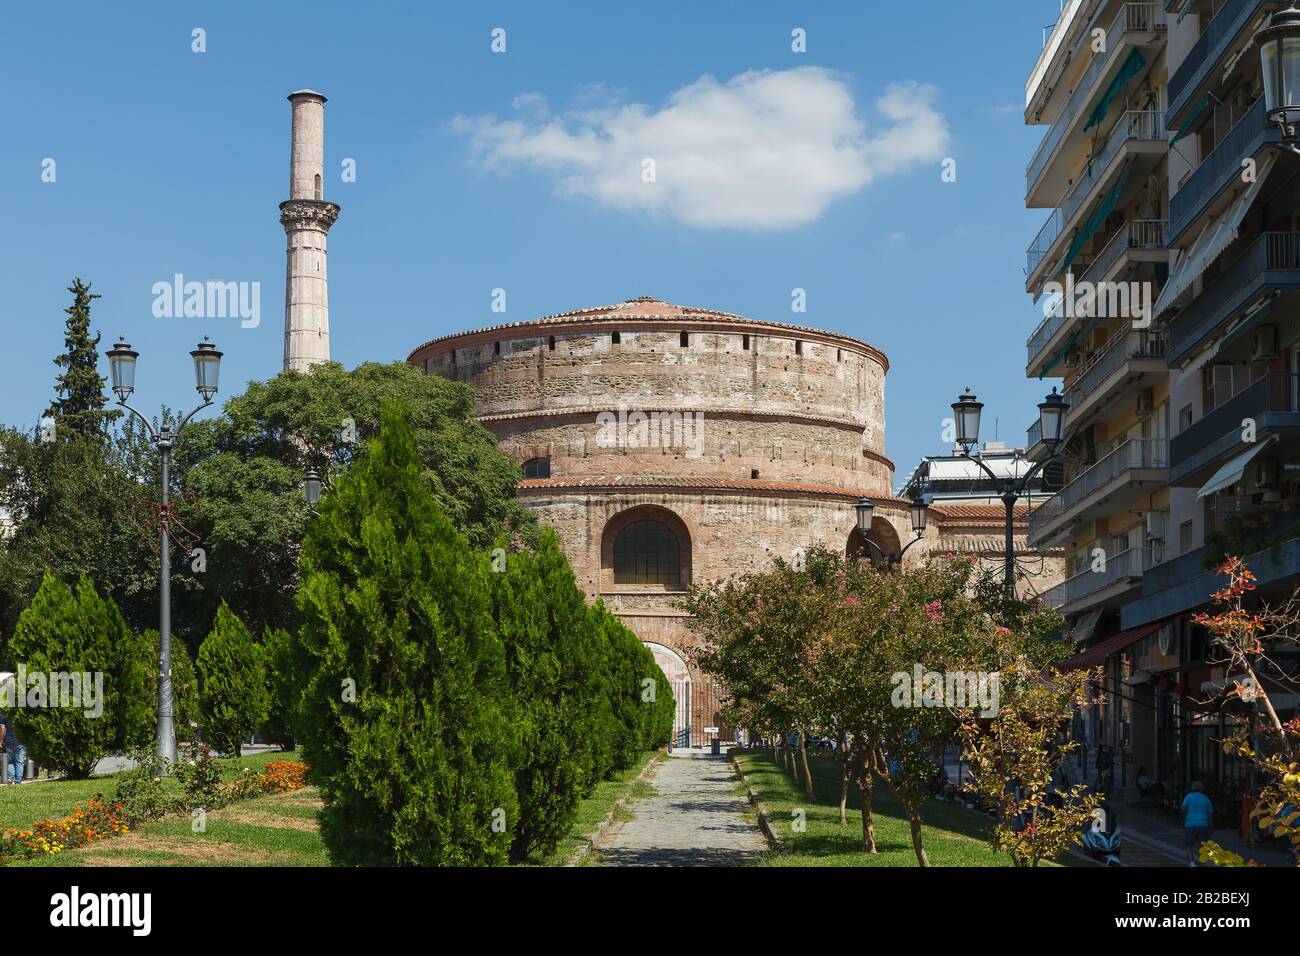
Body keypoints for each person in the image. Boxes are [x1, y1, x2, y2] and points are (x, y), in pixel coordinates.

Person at [1181, 780, 1215, 867]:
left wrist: (1185, 819)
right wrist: (1211, 828)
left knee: (1188, 846)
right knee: (1202, 848)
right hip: (1203, 825)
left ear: (1193, 788)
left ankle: (1192, 863)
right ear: (1202, 789)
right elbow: (1210, 815)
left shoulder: (1188, 797)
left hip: (1190, 824)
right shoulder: (1206, 798)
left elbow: (1183, 808)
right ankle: (1201, 863)